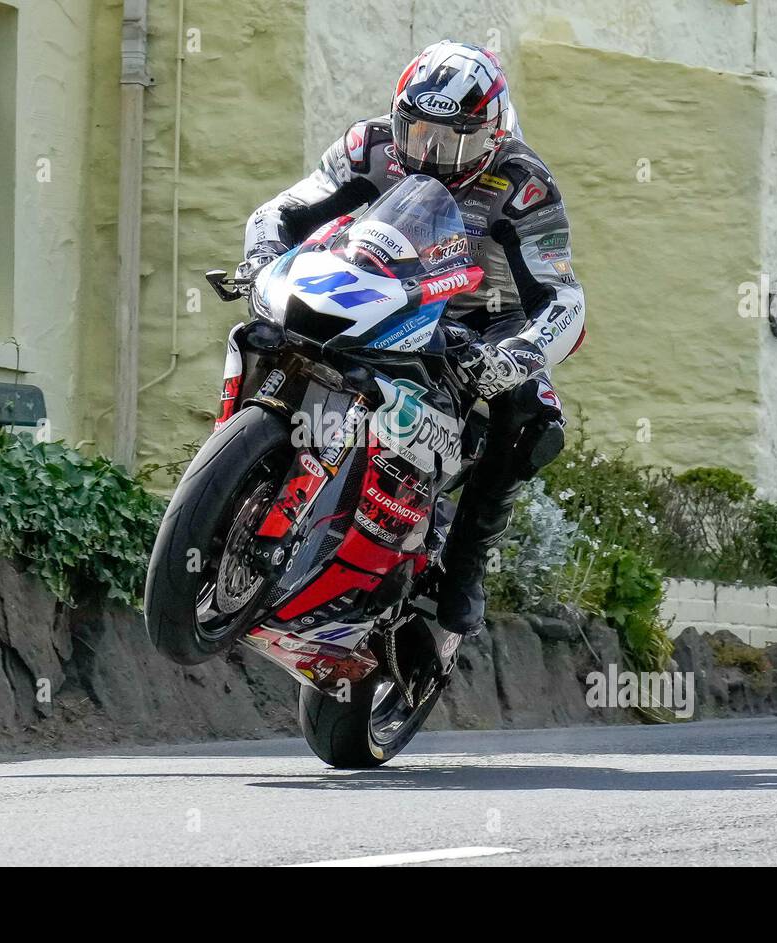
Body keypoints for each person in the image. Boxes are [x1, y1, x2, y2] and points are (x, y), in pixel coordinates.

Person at [241, 39, 586, 635]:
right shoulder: (367, 146)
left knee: (533, 416)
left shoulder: (524, 186)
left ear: (495, 128)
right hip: (371, 285)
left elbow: (563, 299)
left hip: (480, 318)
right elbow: (284, 210)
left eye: (454, 138)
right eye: (418, 131)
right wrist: (262, 256)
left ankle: (465, 563)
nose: (432, 152)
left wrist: (517, 354)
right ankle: (248, 457)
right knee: (277, 324)